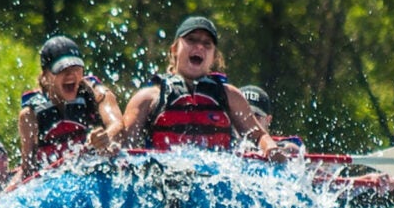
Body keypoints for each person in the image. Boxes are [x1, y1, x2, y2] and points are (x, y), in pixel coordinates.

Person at [118, 16, 287, 162]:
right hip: (162, 182)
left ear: (214, 57)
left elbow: (258, 136)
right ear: (174, 49)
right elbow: (122, 147)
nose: (199, 47)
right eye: (191, 40)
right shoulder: (147, 98)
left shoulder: (230, 96)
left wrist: (271, 148)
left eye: (207, 44)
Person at [18, 35, 123, 174]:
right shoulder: (30, 115)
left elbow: (117, 124)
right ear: (46, 76)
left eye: (76, 68)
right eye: (62, 69)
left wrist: (105, 137)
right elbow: (27, 167)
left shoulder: (98, 94)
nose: (71, 74)